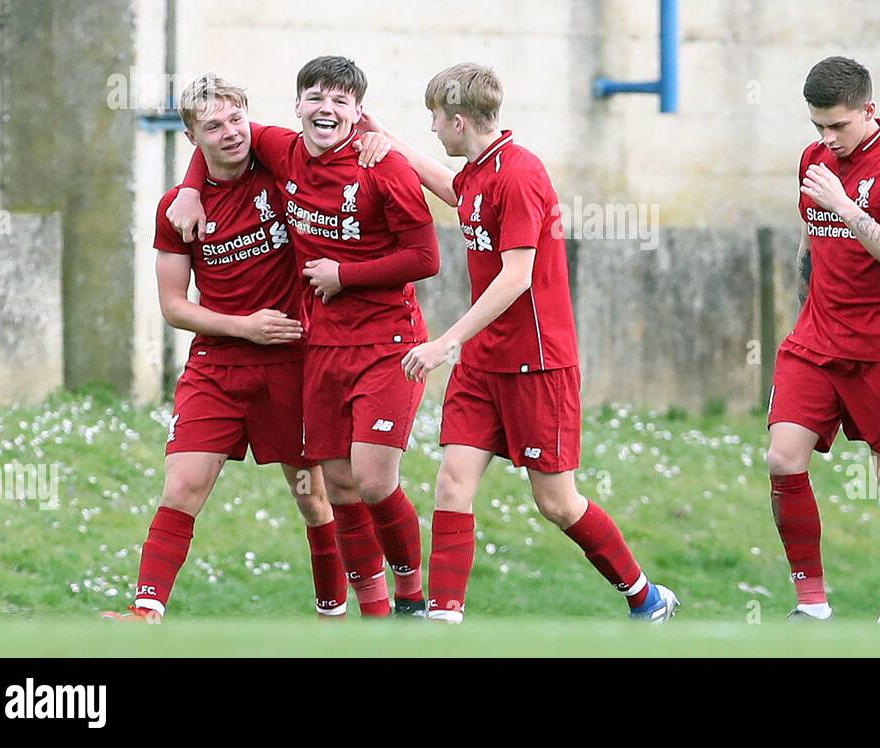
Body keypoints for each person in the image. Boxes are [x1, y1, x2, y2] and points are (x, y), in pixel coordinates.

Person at [369, 62, 678, 623]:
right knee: (452, 483)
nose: (432, 128)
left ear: (458, 121)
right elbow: (451, 189)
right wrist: (384, 138)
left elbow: (516, 277)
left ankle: (645, 596)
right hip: (481, 366)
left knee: (556, 502)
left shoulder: (519, 174)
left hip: (536, 366)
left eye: (435, 118)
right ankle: (443, 619)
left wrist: (445, 343)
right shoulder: (478, 170)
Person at [166, 57, 439, 617]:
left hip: (388, 342)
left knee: (371, 480)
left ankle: (413, 599)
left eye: (341, 101)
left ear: (358, 112)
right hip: (323, 346)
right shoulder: (281, 149)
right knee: (338, 485)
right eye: (315, 97)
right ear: (297, 106)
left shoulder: (382, 165)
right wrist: (191, 188)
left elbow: (425, 257)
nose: (326, 109)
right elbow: (214, 130)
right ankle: (374, 615)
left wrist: (345, 275)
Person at [766, 56, 880, 623]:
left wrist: (844, 206)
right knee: (782, 459)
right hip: (816, 341)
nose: (827, 138)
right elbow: (809, 243)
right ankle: (811, 605)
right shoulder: (813, 160)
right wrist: (805, 315)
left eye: (838, 125)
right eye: (817, 126)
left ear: (870, 109)